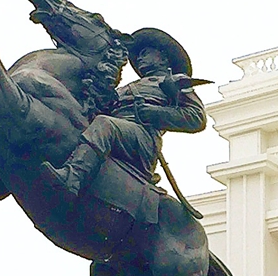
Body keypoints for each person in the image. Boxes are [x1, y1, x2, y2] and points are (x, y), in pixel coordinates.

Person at [39, 27, 208, 203]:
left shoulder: (174, 82)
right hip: (114, 133)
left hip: (142, 139)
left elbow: (197, 118)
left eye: (145, 53)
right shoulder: (126, 87)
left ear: (163, 58)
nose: (140, 58)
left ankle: (72, 178)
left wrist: (153, 113)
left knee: (105, 124)